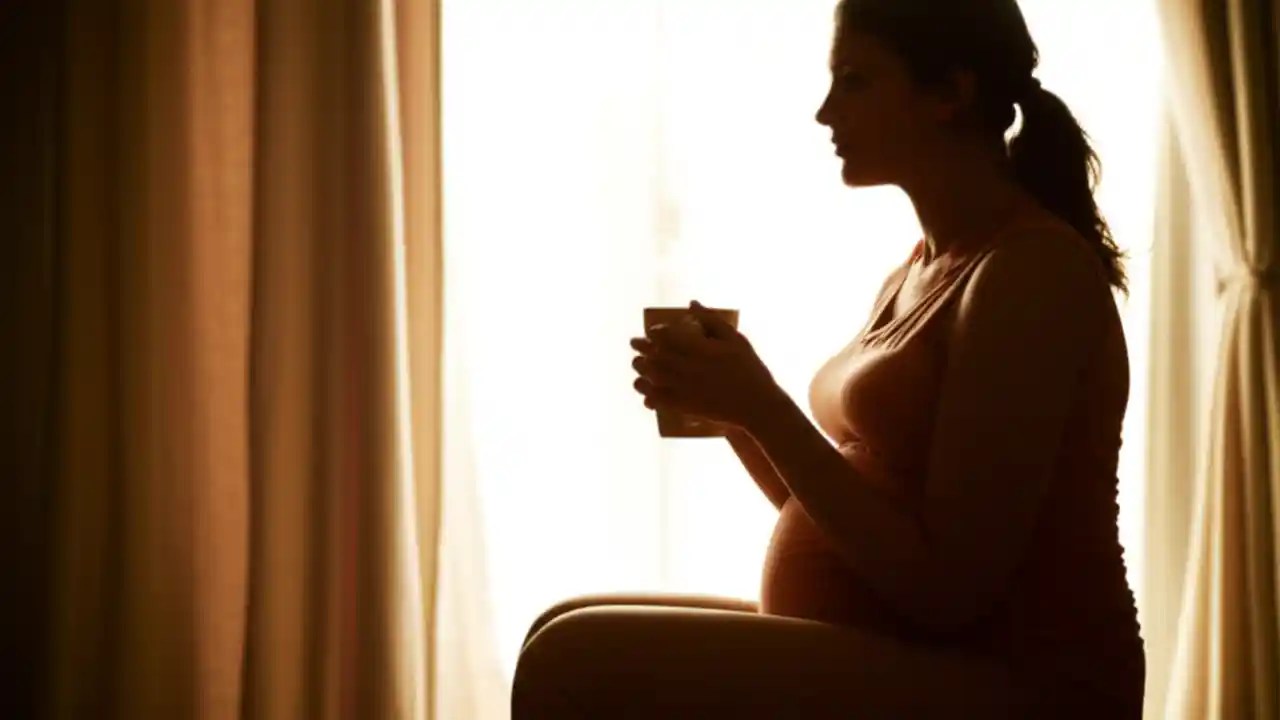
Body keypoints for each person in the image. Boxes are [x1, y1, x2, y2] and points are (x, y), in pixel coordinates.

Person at [511, 0, 1145, 716]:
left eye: (854, 81)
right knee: (558, 626)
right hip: (919, 652)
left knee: (574, 662)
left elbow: (947, 592)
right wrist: (737, 416)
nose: (823, 112)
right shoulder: (918, 269)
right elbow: (852, 526)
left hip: (1018, 680)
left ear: (949, 93)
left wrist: (765, 407)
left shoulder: (1029, 274)